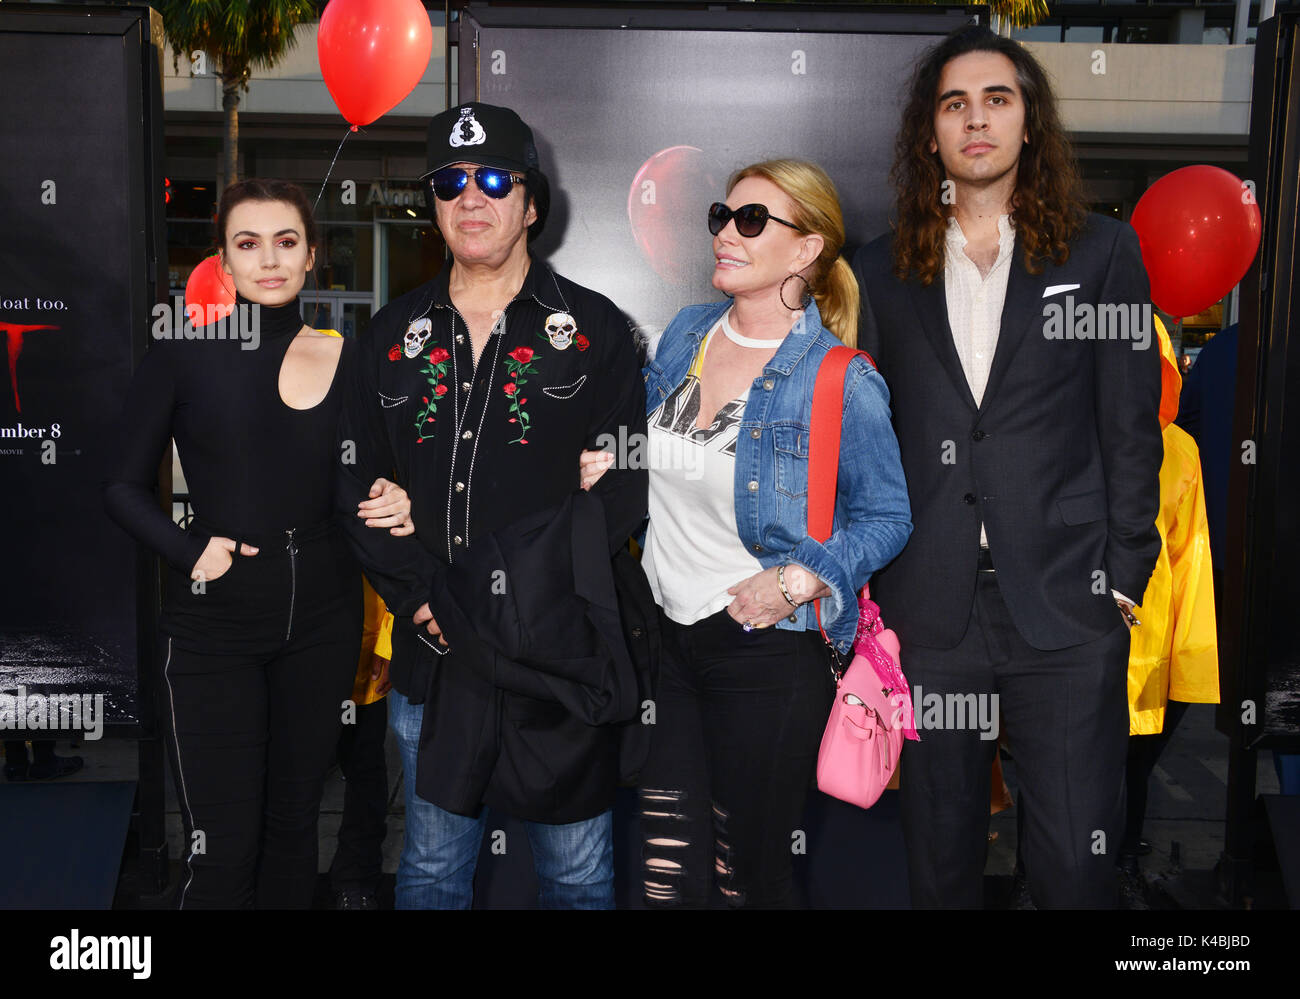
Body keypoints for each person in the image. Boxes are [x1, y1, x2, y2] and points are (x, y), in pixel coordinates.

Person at [852, 25, 1163, 908]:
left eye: (997, 99)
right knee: (939, 864)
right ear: (931, 132)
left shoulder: (1101, 256)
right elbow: (867, 440)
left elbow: (1130, 426)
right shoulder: (881, 271)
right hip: (930, 610)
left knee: (1073, 867)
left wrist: (1126, 574)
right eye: (954, 104)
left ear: (1030, 123)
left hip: (1068, 605)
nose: (975, 119)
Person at [336, 102, 649, 910]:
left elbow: (627, 485)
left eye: (492, 180)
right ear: (435, 205)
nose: (469, 198)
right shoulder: (388, 335)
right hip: (437, 655)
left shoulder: (595, 330)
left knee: (578, 875)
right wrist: (426, 600)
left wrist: (530, 597)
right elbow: (355, 488)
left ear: (531, 202)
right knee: (433, 869)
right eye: (449, 183)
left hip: (556, 653)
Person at [581, 159, 912, 907]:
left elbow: (890, 517)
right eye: (722, 217)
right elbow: (648, 443)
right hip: (666, 639)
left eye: (752, 220)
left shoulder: (839, 377)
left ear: (806, 250)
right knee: (667, 867)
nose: (726, 233)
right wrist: (609, 456)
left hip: (768, 653)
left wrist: (798, 578)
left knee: (750, 873)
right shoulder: (688, 334)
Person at [103, 179, 412, 908]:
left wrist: (398, 494)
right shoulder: (181, 356)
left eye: (286, 241)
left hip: (327, 622)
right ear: (224, 261)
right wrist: (188, 550)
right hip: (216, 629)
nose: (268, 259)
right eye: (248, 243)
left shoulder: (354, 360)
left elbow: (367, 481)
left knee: (294, 833)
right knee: (222, 847)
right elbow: (119, 487)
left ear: (311, 257)